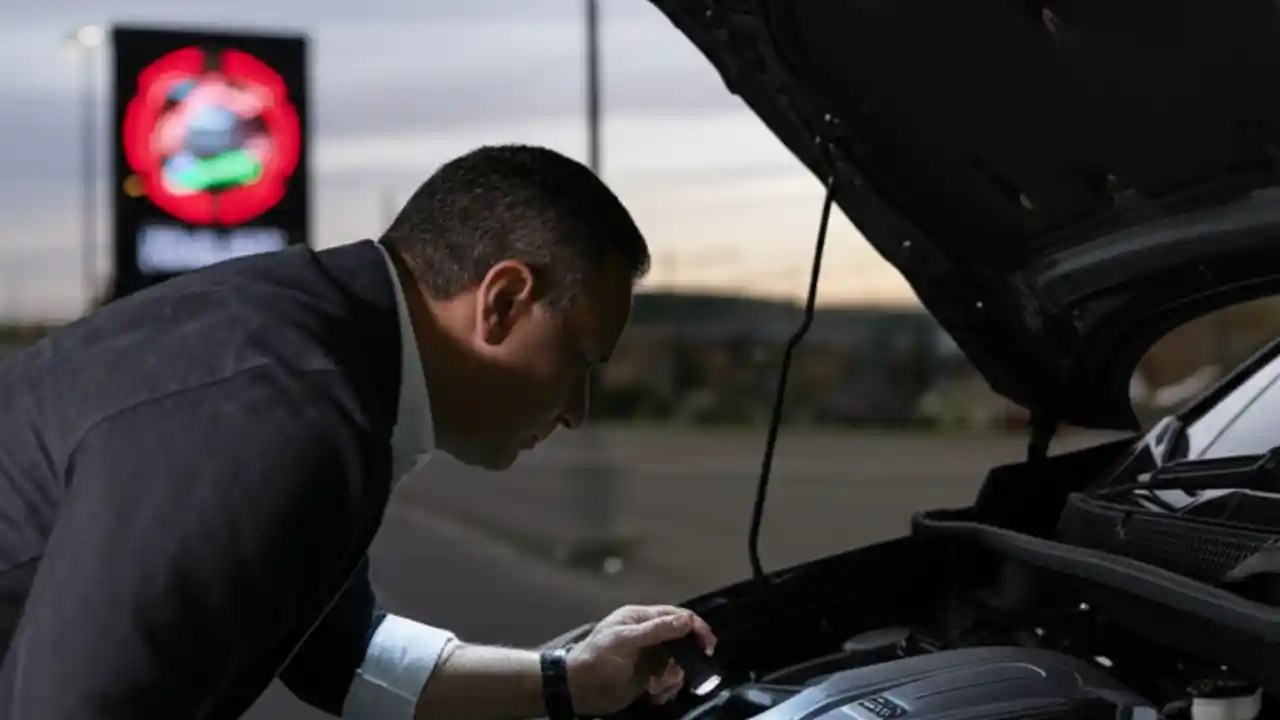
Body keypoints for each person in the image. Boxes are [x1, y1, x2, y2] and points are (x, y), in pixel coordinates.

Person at [0, 145, 716, 719]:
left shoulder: (315, 346)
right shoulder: (288, 415)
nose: (577, 410)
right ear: (501, 301)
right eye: (580, 361)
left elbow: (340, 653)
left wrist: (570, 681)